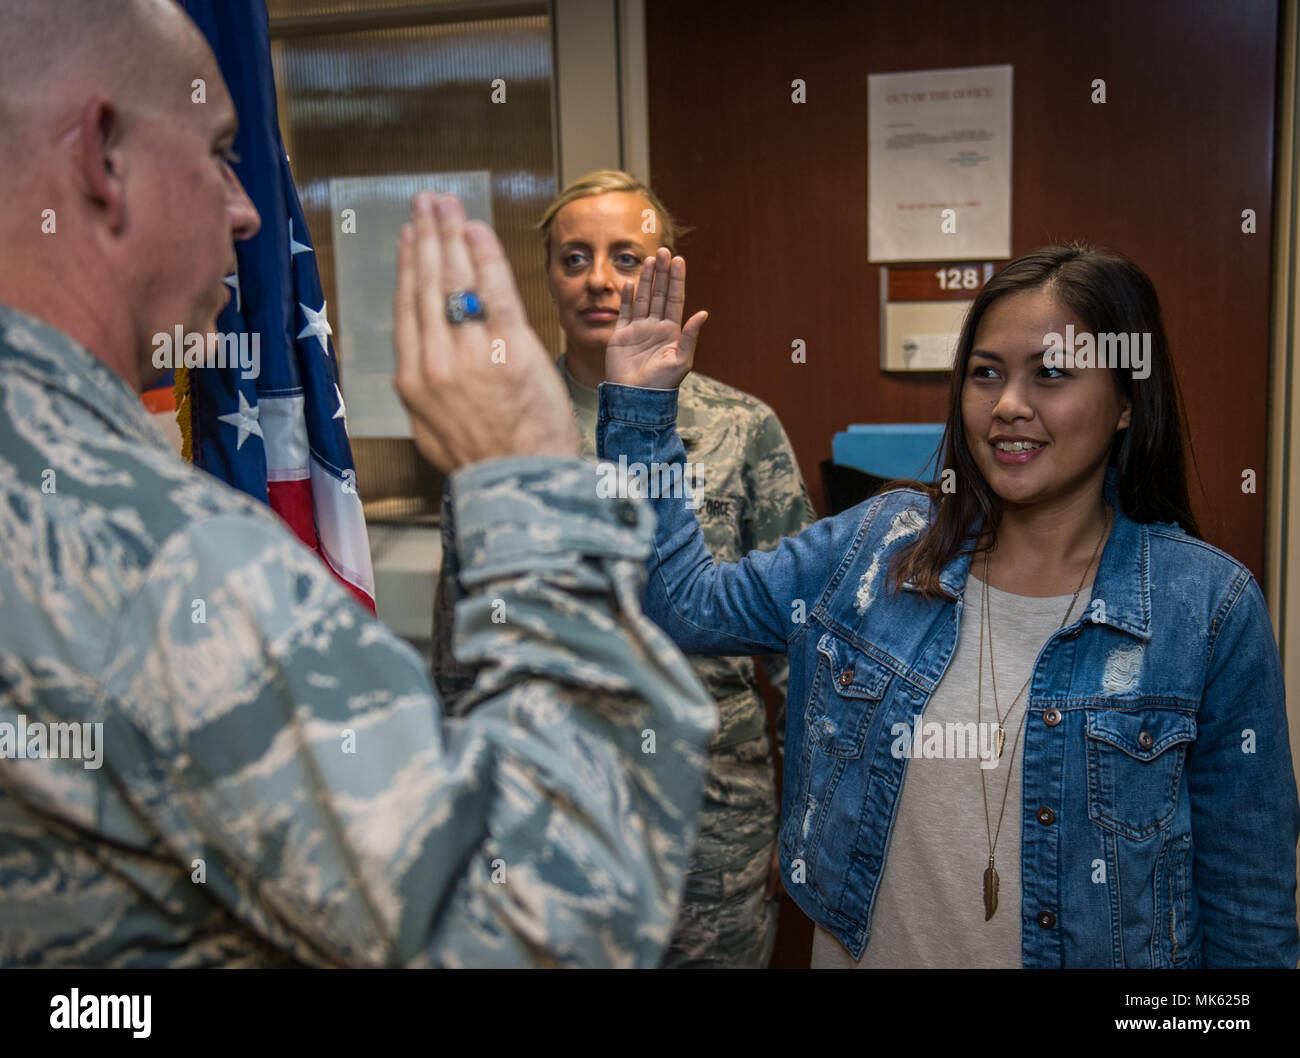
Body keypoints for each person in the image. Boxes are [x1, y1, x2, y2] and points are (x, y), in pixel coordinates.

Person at [0, 0, 716, 967]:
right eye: (219, 153)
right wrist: (533, 484)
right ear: (105, 157)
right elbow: (546, 924)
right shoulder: (162, 560)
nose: (249, 207)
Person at [596, 243, 1300, 967]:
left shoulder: (1206, 609)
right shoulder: (875, 547)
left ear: (1126, 401)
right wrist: (642, 412)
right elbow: (674, 603)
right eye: (985, 373)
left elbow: (1251, 915)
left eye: (1051, 373)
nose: (1008, 406)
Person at [432, 171, 815, 967]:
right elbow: (462, 651)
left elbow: (805, 650)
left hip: (713, 825)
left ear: (663, 270)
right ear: (548, 276)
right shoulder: (501, 430)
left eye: (626, 257)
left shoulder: (741, 428)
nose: (600, 280)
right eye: (576, 258)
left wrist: (806, 817)